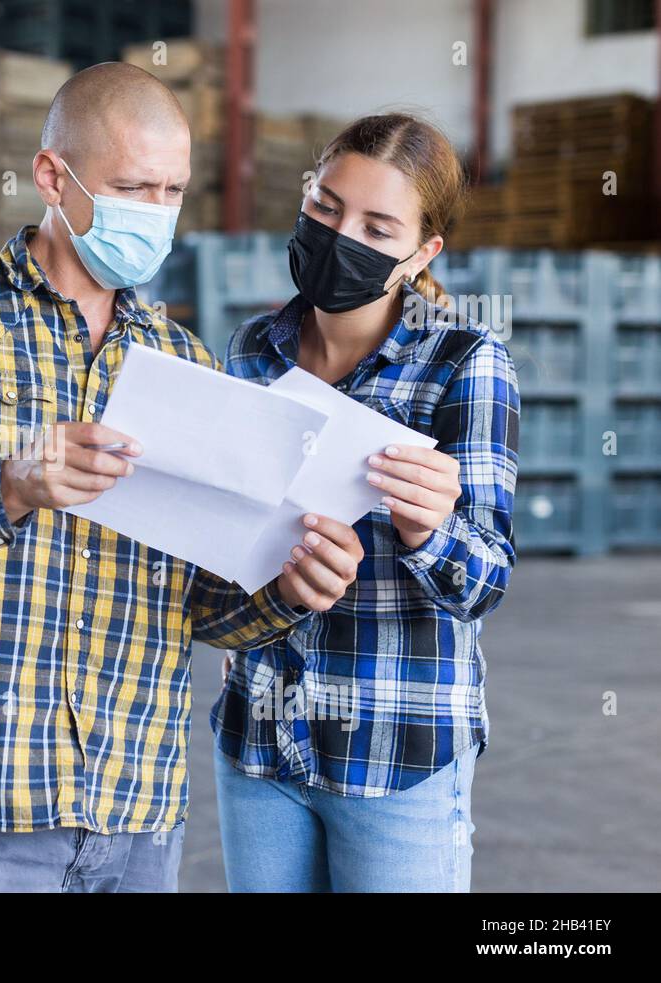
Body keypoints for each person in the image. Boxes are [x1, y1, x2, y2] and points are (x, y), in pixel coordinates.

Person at [0, 62, 365, 893]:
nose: (153, 213)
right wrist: (6, 490)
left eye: (171, 190)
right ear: (53, 175)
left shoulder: (181, 360)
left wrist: (290, 587)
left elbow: (195, 608)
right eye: (131, 186)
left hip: (139, 819)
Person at [212, 113, 520, 892]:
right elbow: (217, 556)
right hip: (261, 744)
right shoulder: (251, 351)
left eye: (378, 227)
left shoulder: (463, 364)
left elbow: (484, 581)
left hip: (397, 754)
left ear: (421, 253)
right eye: (325, 207)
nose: (342, 236)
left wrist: (427, 530)